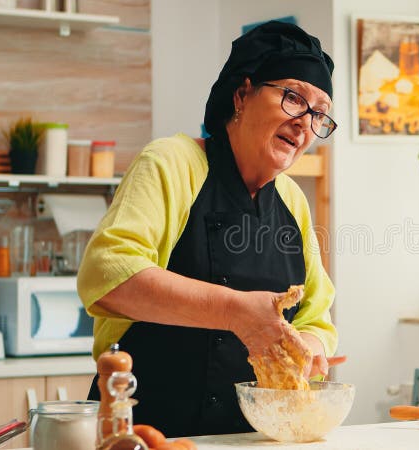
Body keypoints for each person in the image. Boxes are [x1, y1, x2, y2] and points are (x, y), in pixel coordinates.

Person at [77, 21, 342, 437]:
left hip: (249, 439)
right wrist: (237, 313)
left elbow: (317, 317)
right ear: (241, 95)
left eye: (320, 114)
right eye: (293, 98)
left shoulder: (292, 201)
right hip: (145, 433)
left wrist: (307, 349)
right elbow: (108, 276)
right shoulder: (171, 162)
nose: (305, 124)